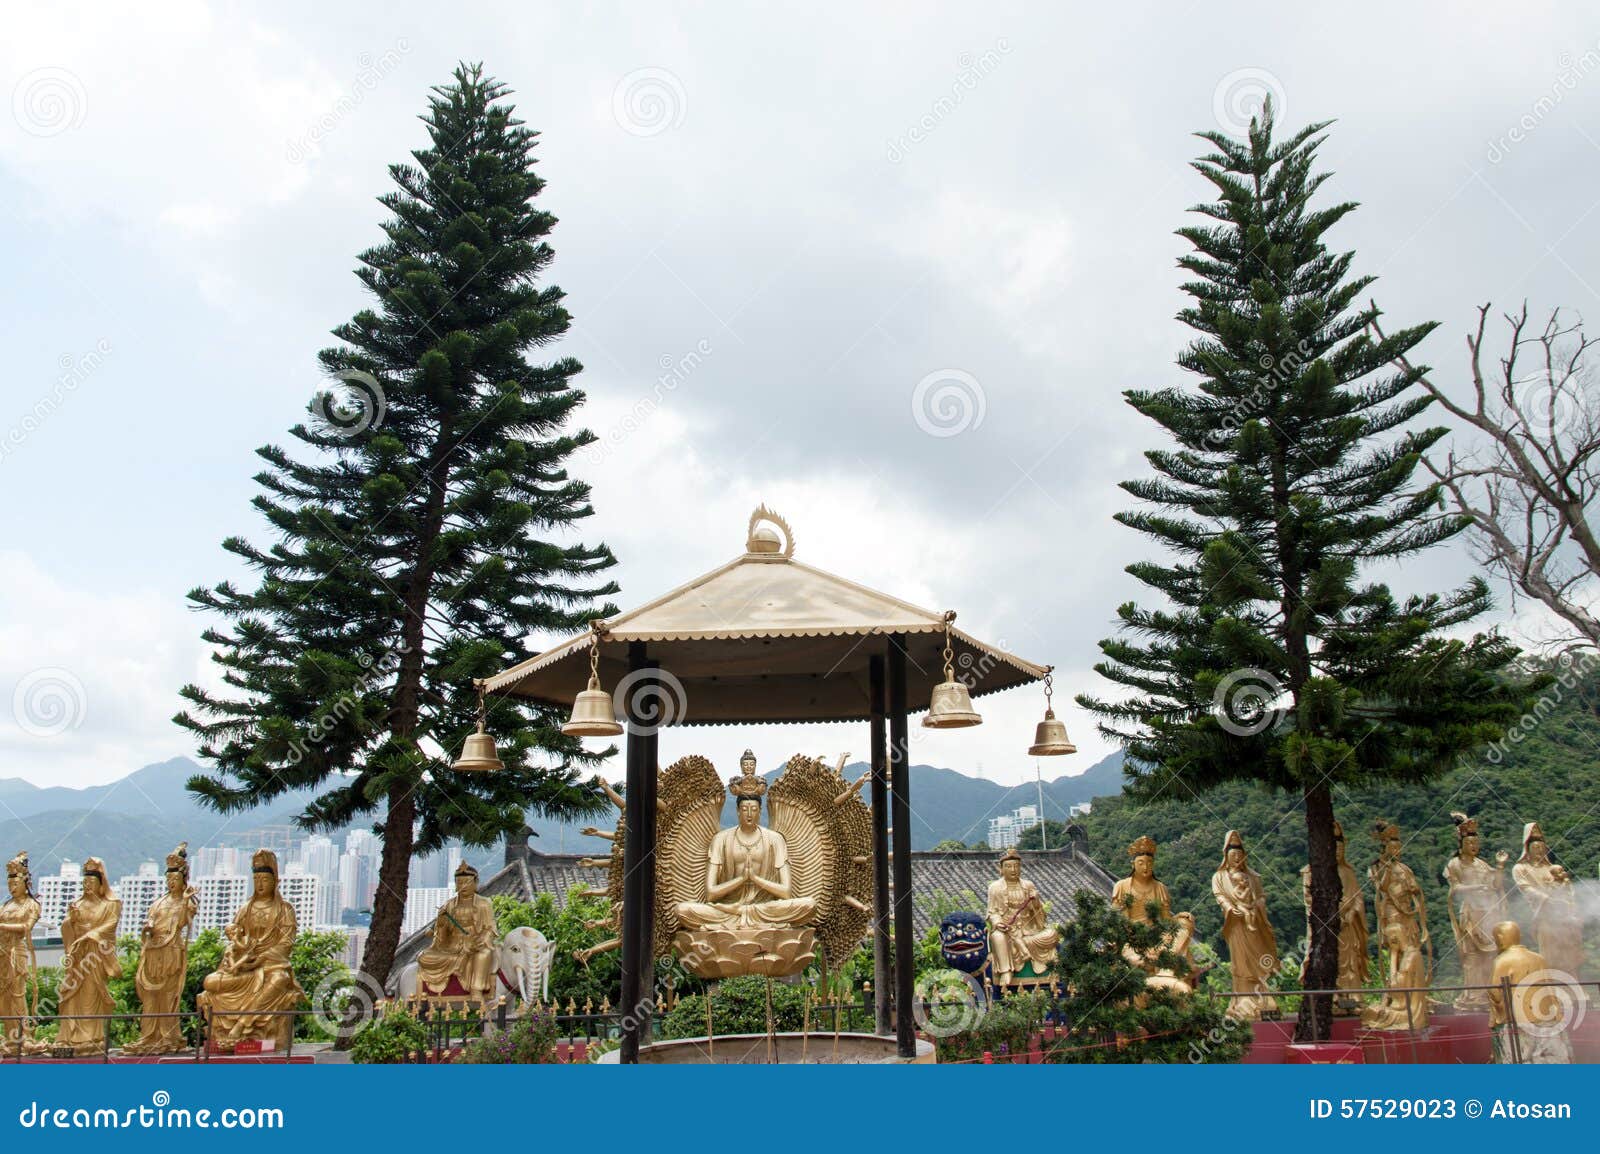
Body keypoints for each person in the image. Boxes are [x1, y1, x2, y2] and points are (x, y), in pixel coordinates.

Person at [674, 752, 817, 930]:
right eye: (745, 809)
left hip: (765, 910)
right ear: (737, 811)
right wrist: (742, 879)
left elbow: (786, 892)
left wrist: (755, 879)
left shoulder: (775, 840)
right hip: (728, 909)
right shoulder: (721, 840)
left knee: (809, 905)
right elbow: (710, 894)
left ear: (760, 811)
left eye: (754, 809)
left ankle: (741, 925)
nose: (749, 814)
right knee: (683, 910)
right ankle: (754, 926)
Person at [197, 849, 304, 1049]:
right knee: (210, 982)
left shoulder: (284, 910)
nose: (260, 884)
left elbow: (286, 944)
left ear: (274, 881)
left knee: (280, 979)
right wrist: (233, 956)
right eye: (256, 879)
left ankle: (240, 1026)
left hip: (270, 966)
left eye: (264, 879)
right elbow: (233, 939)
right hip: (244, 968)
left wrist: (262, 958)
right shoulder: (246, 908)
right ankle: (225, 1031)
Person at [125, 844, 199, 1055]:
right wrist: (147, 928)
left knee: (168, 996)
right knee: (150, 997)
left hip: (171, 951)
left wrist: (185, 901)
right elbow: (151, 920)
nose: (171, 883)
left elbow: (185, 920)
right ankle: (148, 1036)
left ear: (183, 880)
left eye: (175, 880)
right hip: (153, 951)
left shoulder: (186, 901)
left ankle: (168, 1036)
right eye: (168, 880)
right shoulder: (159, 902)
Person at [55, 856, 123, 1053]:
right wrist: (72, 922)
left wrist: (91, 934)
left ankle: (90, 1038)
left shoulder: (110, 904)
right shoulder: (78, 904)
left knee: (90, 995)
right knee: (70, 996)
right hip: (77, 958)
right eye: (84, 882)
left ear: (101, 883)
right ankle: (68, 1037)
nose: (87, 886)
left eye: (91, 882)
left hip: (94, 956)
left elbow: (110, 925)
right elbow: (66, 927)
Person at [1300, 820, 1368, 1014]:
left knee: (1348, 962)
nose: (1337, 852)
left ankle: (1353, 997)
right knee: (1328, 960)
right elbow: (1310, 900)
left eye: (1340, 848)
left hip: (1348, 927)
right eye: (1333, 848)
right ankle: (1333, 997)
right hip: (1326, 927)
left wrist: (1351, 912)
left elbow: (1357, 898)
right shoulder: (1310, 872)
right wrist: (1333, 914)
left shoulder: (1348, 872)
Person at [1211, 831, 1279, 1019]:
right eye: (1233, 856)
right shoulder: (1219, 877)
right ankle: (1243, 999)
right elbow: (1220, 896)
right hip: (1236, 926)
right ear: (1226, 856)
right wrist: (1230, 908)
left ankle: (1263, 996)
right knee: (1240, 962)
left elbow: (1262, 896)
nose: (1237, 859)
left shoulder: (1253, 877)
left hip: (1255, 924)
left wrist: (1258, 905)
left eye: (1240, 856)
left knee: (1260, 959)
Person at [1443, 812, 1507, 1010]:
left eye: (1476, 843)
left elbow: (1496, 885)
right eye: (1470, 843)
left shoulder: (1482, 864)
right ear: (1462, 844)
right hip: (1470, 912)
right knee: (1472, 955)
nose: (1474, 846)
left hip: (1487, 912)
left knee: (1490, 955)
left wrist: (1500, 866)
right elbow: (1455, 889)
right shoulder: (1454, 864)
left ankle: (1490, 992)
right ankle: (1472, 994)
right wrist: (1474, 888)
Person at [1488, 921, 1573, 1064]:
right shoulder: (1539, 958)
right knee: (1550, 1057)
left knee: (1519, 1056)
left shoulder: (1502, 960)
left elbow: (1494, 992)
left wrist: (1496, 1015)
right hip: (1545, 1015)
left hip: (1517, 1018)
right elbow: (1549, 985)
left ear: (1501, 937)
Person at [1510, 822, 1583, 982]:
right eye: (1535, 848)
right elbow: (1525, 887)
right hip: (1543, 914)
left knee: (1568, 951)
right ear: (1527, 848)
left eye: (1541, 848)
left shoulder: (1552, 868)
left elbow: (1567, 889)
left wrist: (1566, 893)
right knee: (1550, 952)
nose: (1539, 851)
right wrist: (1546, 898)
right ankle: (1552, 986)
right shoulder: (1520, 868)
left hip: (1562, 915)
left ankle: (1573, 984)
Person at [416, 862, 499, 1000]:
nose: (463, 886)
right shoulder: (448, 905)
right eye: (460, 883)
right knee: (423, 956)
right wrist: (439, 926)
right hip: (451, 947)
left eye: (467, 882)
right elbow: (441, 935)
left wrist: (481, 940)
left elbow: (490, 929)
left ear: (476, 883)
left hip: (474, 944)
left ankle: (476, 990)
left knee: (484, 954)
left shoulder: (484, 903)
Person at [985, 848, 1058, 986]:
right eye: (1008, 866)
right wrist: (998, 922)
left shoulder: (1028, 885)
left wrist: (1035, 901)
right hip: (1007, 930)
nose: (1013, 869)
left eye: (1016, 866)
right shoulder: (994, 887)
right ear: (1000, 868)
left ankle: (1026, 951)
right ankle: (1006, 970)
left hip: (1029, 929)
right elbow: (991, 912)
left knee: (1052, 934)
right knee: (997, 937)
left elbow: (1038, 912)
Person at [0, 852, 44, 1057]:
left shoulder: (32, 905)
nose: (11, 887)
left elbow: (26, 927)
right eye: (9, 883)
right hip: (1, 953)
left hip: (16, 952)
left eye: (15, 882)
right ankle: (9, 1037)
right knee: (3, 998)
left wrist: (3, 925)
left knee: (17, 995)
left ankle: (23, 1037)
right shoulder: (7, 905)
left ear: (25, 882)